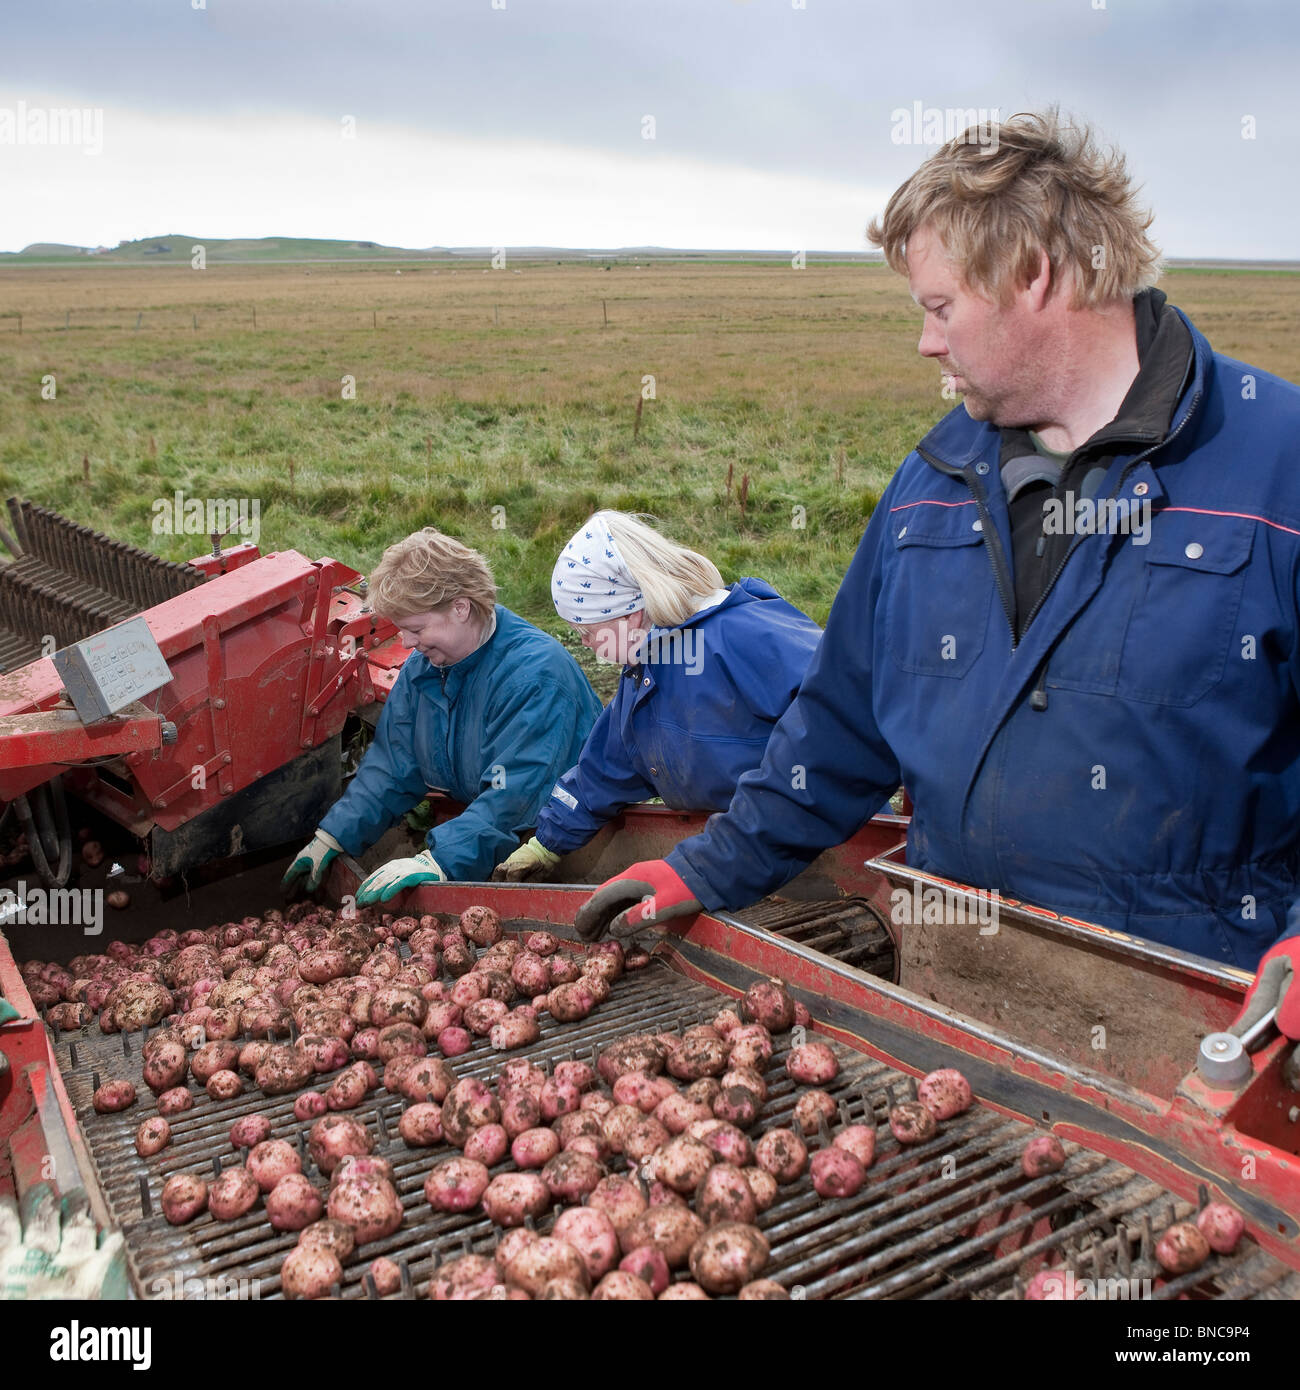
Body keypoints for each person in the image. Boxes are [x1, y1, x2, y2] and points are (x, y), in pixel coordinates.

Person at [574, 110, 1300, 1058]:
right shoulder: (932, 487)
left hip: (1203, 1027)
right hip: (963, 1004)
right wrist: (709, 868)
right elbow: (842, 722)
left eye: (939, 306)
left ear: (1033, 274)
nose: (924, 342)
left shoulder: (1274, 465)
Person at [492, 511, 823, 881]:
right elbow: (605, 769)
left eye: (585, 630)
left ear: (627, 615)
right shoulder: (645, 672)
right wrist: (546, 844)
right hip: (731, 859)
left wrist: (784, 802)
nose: (584, 643)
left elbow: (840, 708)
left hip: (815, 853)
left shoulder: (746, 635)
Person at [282, 527, 601, 902]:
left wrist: (441, 859)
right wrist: (332, 836)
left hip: (565, 846)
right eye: (402, 631)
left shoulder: (535, 676)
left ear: (461, 608)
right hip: (489, 834)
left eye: (415, 629)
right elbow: (394, 763)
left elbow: (513, 794)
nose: (406, 644)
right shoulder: (425, 669)